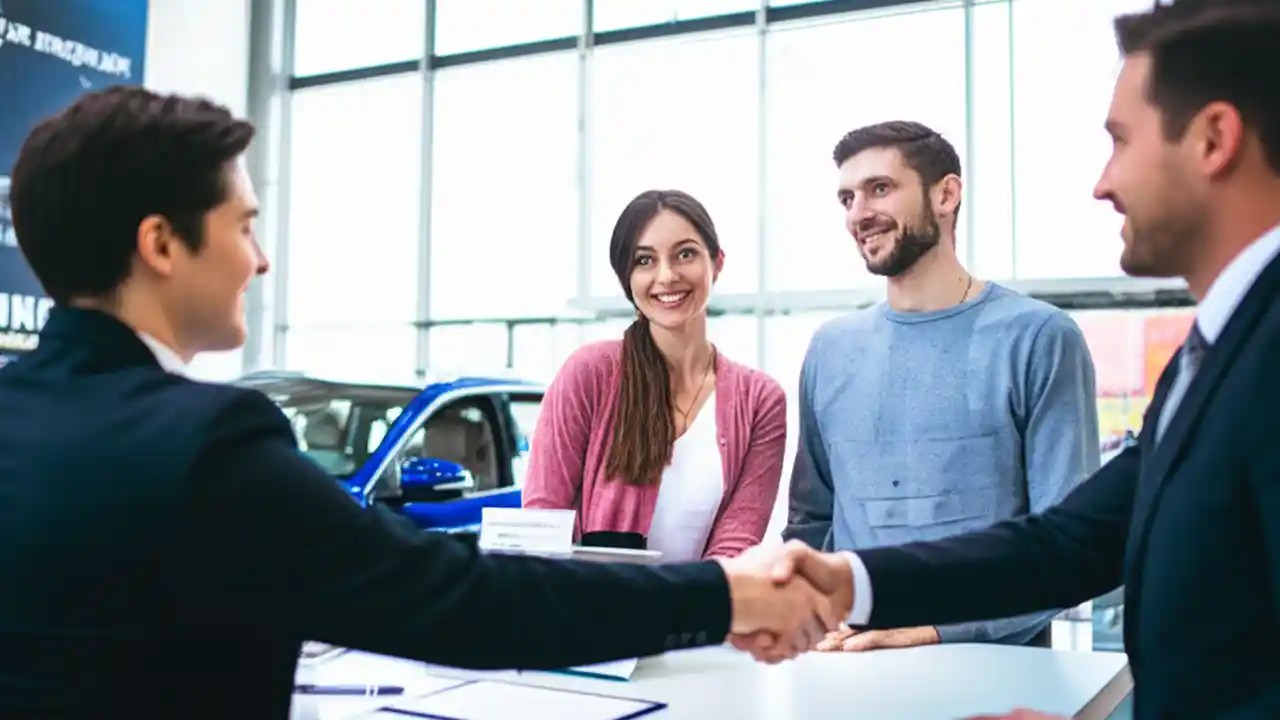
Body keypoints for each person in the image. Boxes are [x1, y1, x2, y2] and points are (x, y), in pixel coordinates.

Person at [0, 86, 844, 718]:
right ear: (161, 245)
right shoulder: (207, 443)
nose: (259, 261)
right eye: (243, 225)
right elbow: (467, 603)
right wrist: (725, 598)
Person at [758, 4, 1280, 718]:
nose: (1102, 183)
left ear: (1215, 139)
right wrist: (850, 584)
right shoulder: (1211, 354)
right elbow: (1068, 543)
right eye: (848, 196)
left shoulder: (1250, 353)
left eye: (1121, 141)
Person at [783, 121, 1100, 651]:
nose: (858, 213)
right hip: (849, 674)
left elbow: (1069, 546)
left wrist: (935, 632)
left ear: (946, 194)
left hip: (1000, 677)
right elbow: (811, 523)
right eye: (846, 197)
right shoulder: (830, 351)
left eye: (880, 188)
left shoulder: (1040, 338)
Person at [523, 190, 787, 561]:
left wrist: (685, 610)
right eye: (645, 260)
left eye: (685, 254)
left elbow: (737, 541)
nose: (667, 276)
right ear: (627, 277)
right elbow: (543, 519)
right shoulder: (589, 374)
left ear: (718, 262)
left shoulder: (759, 399)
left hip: (700, 613)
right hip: (588, 611)